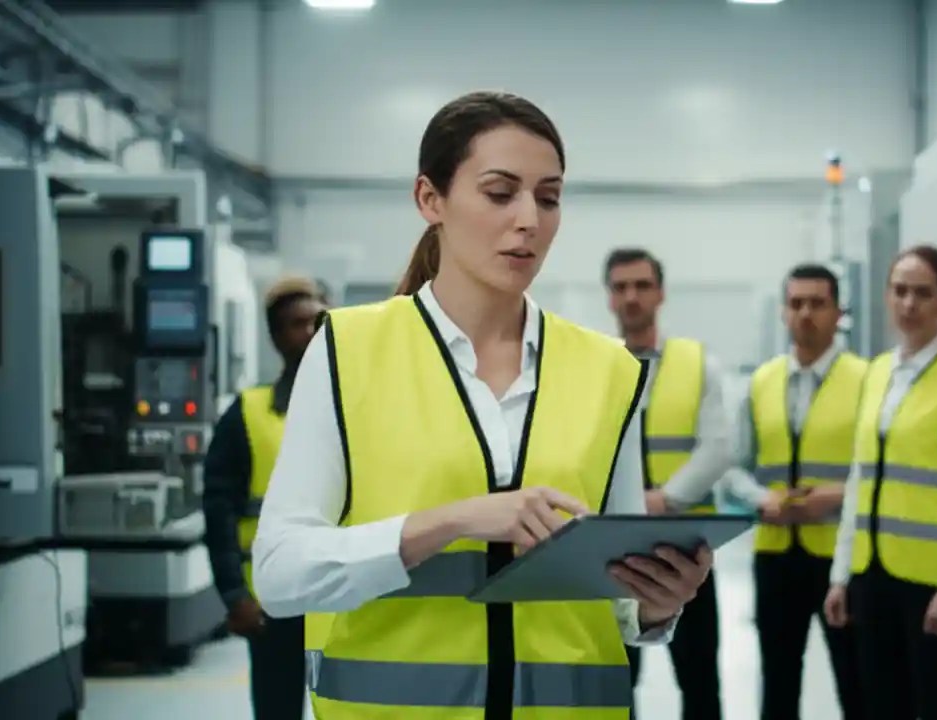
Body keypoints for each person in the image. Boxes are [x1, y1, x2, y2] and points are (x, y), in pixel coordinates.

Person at [250, 90, 714, 720]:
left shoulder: (607, 370)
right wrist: (456, 520)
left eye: (548, 198)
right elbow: (280, 575)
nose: (529, 218)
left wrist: (660, 601)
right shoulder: (349, 350)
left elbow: (618, 601)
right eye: (501, 193)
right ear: (429, 199)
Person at [823, 245, 937, 720]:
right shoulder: (878, 373)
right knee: (880, 707)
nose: (909, 305)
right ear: (887, 297)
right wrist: (841, 575)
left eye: (923, 294)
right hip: (874, 578)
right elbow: (860, 482)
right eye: (900, 291)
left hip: (934, 586)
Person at [721, 264, 866, 720]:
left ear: (837, 312)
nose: (806, 313)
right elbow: (733, 466)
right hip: (776, 554)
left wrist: (838, 496)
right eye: (796, 303)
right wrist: (760, 499)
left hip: (842, 559)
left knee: (857, 682)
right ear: (784, 312)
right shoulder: (761, 382)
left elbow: (879, 470)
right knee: (778, 684)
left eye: (817, 303)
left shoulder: (867, 379)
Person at [603, 247, 737, 720]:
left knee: (700, 678)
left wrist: (664, 500)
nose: (631, 297)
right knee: (617, 679)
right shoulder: (595, 365)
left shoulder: (699, 363)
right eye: (620, 287)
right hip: (614, 549)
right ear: (609, 297)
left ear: (660, 293)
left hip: (687, 548)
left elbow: (719, 446)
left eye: (641, 285)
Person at [201, 274, 326, 720]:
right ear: (275, 336)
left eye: (318, 321)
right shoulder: (248, 414)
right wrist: (235, 595)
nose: (310, 333)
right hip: (274, 598)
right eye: (297, 324)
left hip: (341, 594)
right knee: (277, 710)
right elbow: (219, 509)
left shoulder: (359, 405)